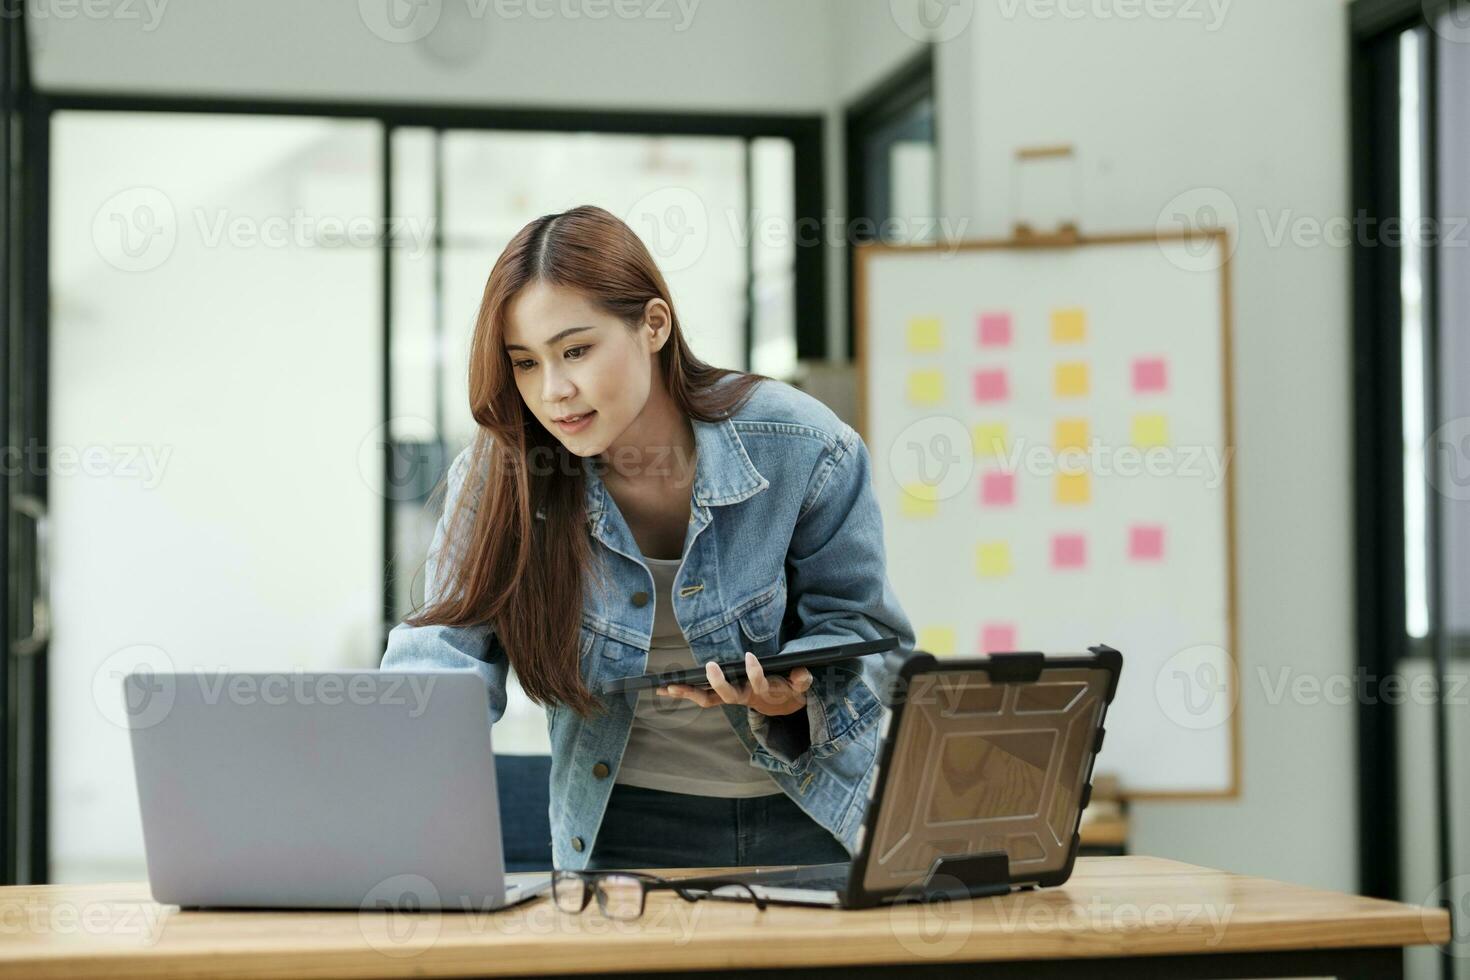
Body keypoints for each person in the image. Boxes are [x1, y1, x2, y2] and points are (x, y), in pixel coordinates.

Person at [381, 204, 914, 872]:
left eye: (576, 350)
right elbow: (443, 651)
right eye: (525, 362)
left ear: (654, 325)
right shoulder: (503, 474)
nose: (554, 391)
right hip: (622, 831)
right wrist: (392, 758)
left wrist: (793, 695)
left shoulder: (802, 446)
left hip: (811, 813)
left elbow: (870, 638)